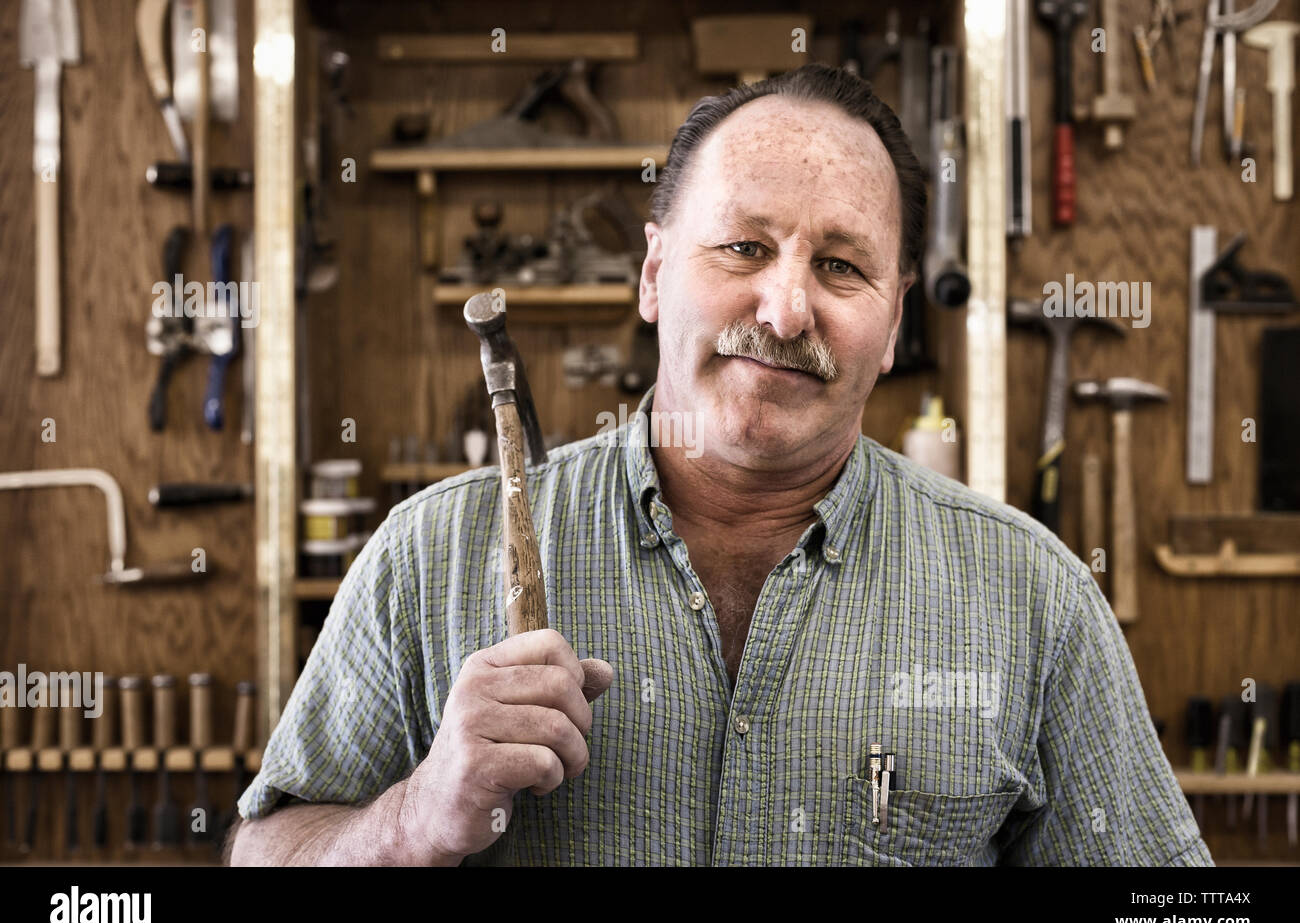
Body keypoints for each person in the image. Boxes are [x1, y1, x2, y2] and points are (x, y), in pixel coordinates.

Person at [229, 64, 1211, 866]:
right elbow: (262, 853)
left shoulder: (1032, 598)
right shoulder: (432, 554)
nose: (785, 310)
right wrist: (411, 820)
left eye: (840, 265)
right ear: (654, 273)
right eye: (744, 246)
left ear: (895, 315)